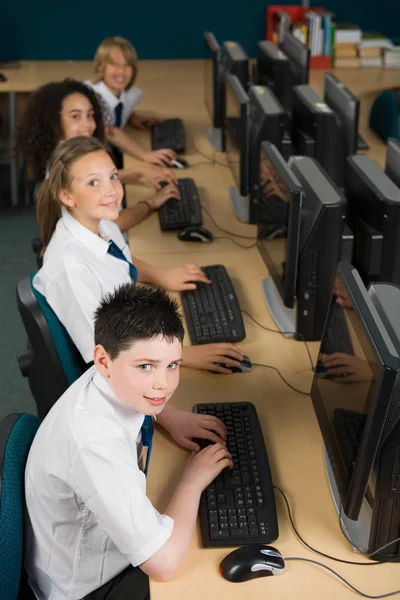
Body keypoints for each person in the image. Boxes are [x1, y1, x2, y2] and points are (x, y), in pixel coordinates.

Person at [25, 282, 233, 599]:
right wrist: (192, 480)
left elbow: (140, 385)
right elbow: (163, 564)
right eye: (146, 366)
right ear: (104, 360)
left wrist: (167, 414)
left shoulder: (108, 375)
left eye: (172, 365)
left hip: (96, 546)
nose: (162, 385)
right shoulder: (94, 443)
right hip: (86, 586)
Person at [34, 136, 244, 373]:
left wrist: (161, 276)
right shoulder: (72, 268)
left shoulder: (100, 222)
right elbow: (106, 358)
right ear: (66, 196)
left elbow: (119, 263)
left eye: (113, 177)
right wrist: (179, 355)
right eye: (94, 183)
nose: (112, 191)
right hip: (115, 374)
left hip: (130, 327)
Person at [14, 79, 179, 232]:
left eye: (90, 115)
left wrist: (140, 172)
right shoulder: (67, 167)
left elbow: (96, 182)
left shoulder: (68, 153)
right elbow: (113, 226)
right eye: (76, 116)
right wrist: (152, 203)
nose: (88, 124)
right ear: (54, 121)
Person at [85, 36, 176, 169]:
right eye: (114, 64)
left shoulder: (132, 95)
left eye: (127, 65)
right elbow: (109, 131)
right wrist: (145, 155)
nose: (121, 71)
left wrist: (131, 118)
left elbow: (116, 108)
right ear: (101, 67)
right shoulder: (90, 97)